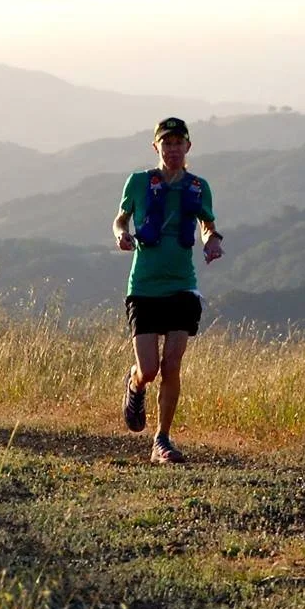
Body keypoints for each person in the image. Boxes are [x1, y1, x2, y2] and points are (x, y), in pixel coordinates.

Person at [112, 117, 225, 464]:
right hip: (144, 286)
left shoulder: (197, 186)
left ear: (188, 147)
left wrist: (211, 242)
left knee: (172, 364)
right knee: (148, 369)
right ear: (156, 147)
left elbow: (207, 224)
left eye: (179, 143)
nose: (173, 149)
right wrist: (121, 234)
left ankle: (162, 440)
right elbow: (120, 218)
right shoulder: (139, 182)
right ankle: (135, 385)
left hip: (182, 285)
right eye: (167, 143)